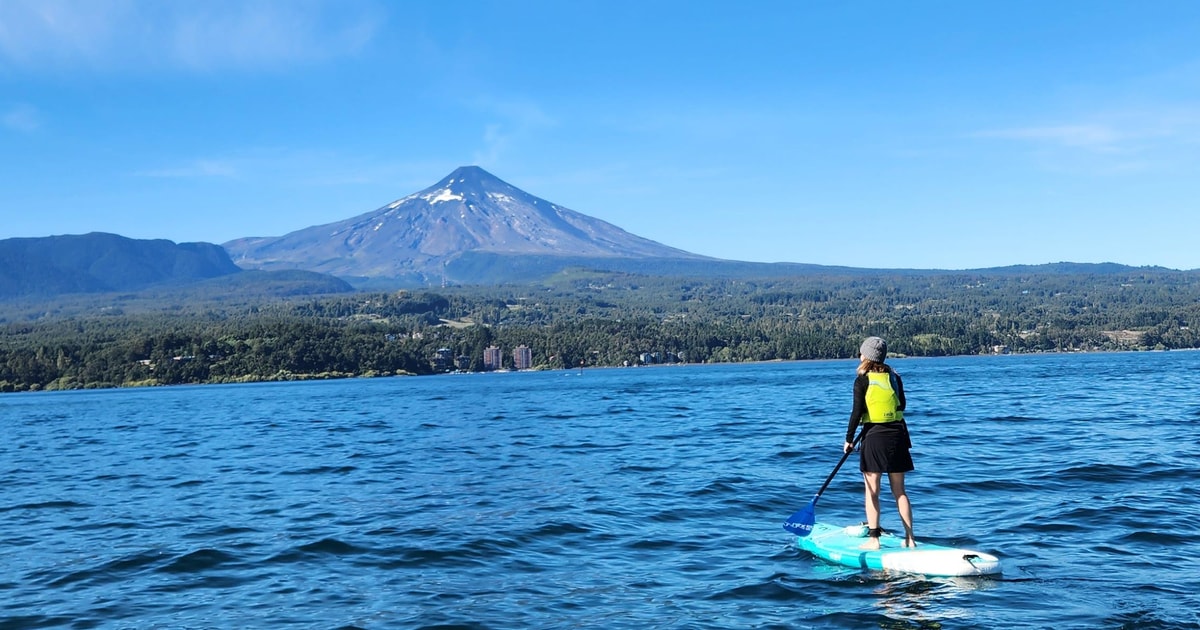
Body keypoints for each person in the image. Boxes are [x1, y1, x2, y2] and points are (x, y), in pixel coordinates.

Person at [843, 336, 915, 550]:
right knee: (899, 491)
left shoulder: (862, 379)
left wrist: (848, 439)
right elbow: (902, 404)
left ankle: (874, 539)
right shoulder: (895, 377)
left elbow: (856, 413)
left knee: (872, 490)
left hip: (874, 435)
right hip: (898, 435)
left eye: (860, 353)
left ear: (866, 356)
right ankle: (910, 538)